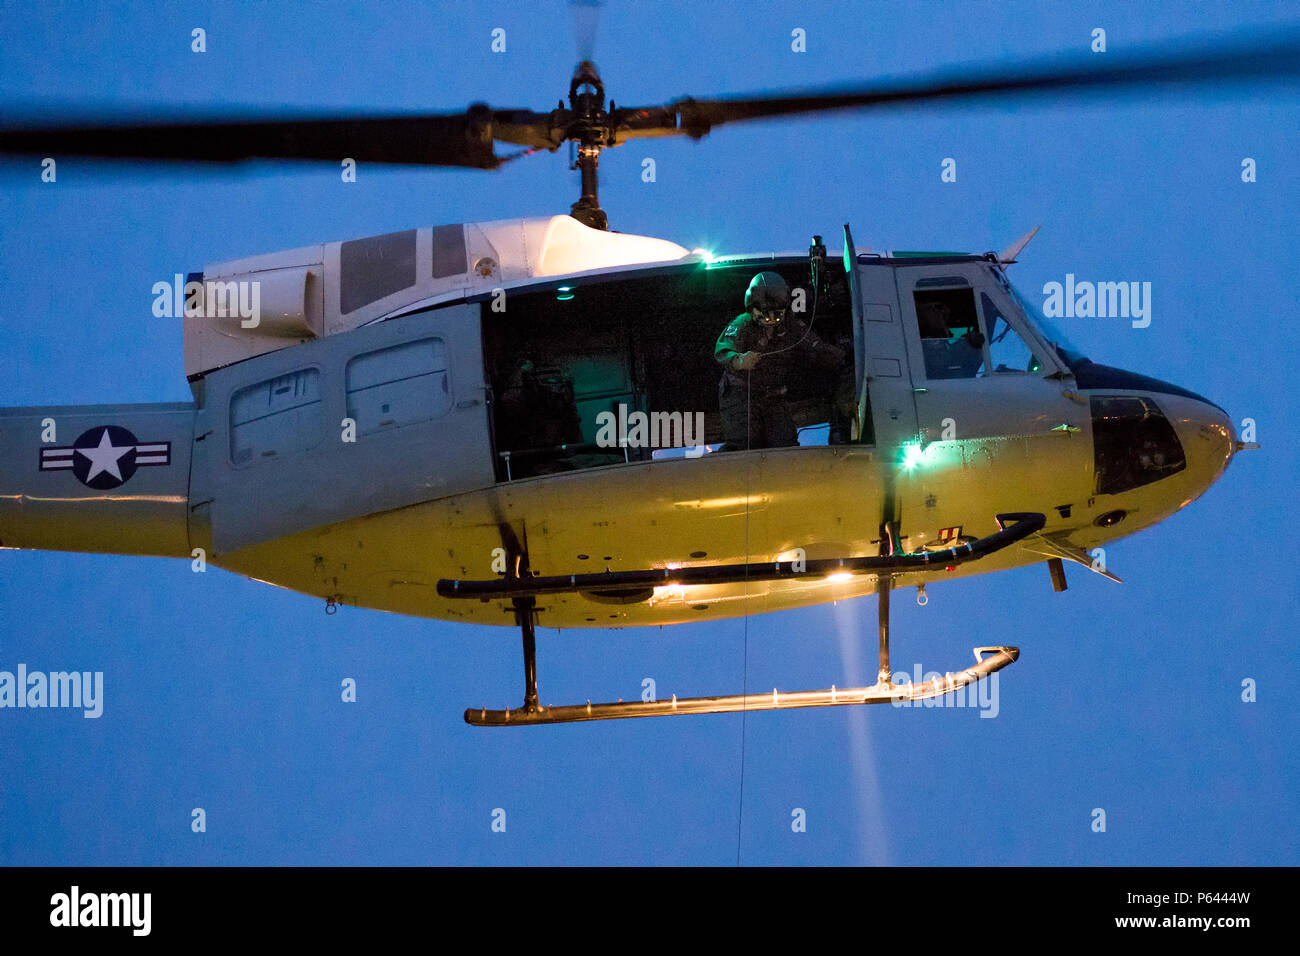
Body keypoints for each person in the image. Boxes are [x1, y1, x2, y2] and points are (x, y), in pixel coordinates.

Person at [715, 271, 845, 450]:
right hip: (741, 395)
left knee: (785, 445)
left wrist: (844, 358)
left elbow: (816, 347)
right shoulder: (741, 324)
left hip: (773, 396)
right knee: (744, 446)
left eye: (777, 314)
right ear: (752, 308)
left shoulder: (791, 325)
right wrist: (739, 360)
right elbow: (723, 350)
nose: (772, 320)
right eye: (765, 314)